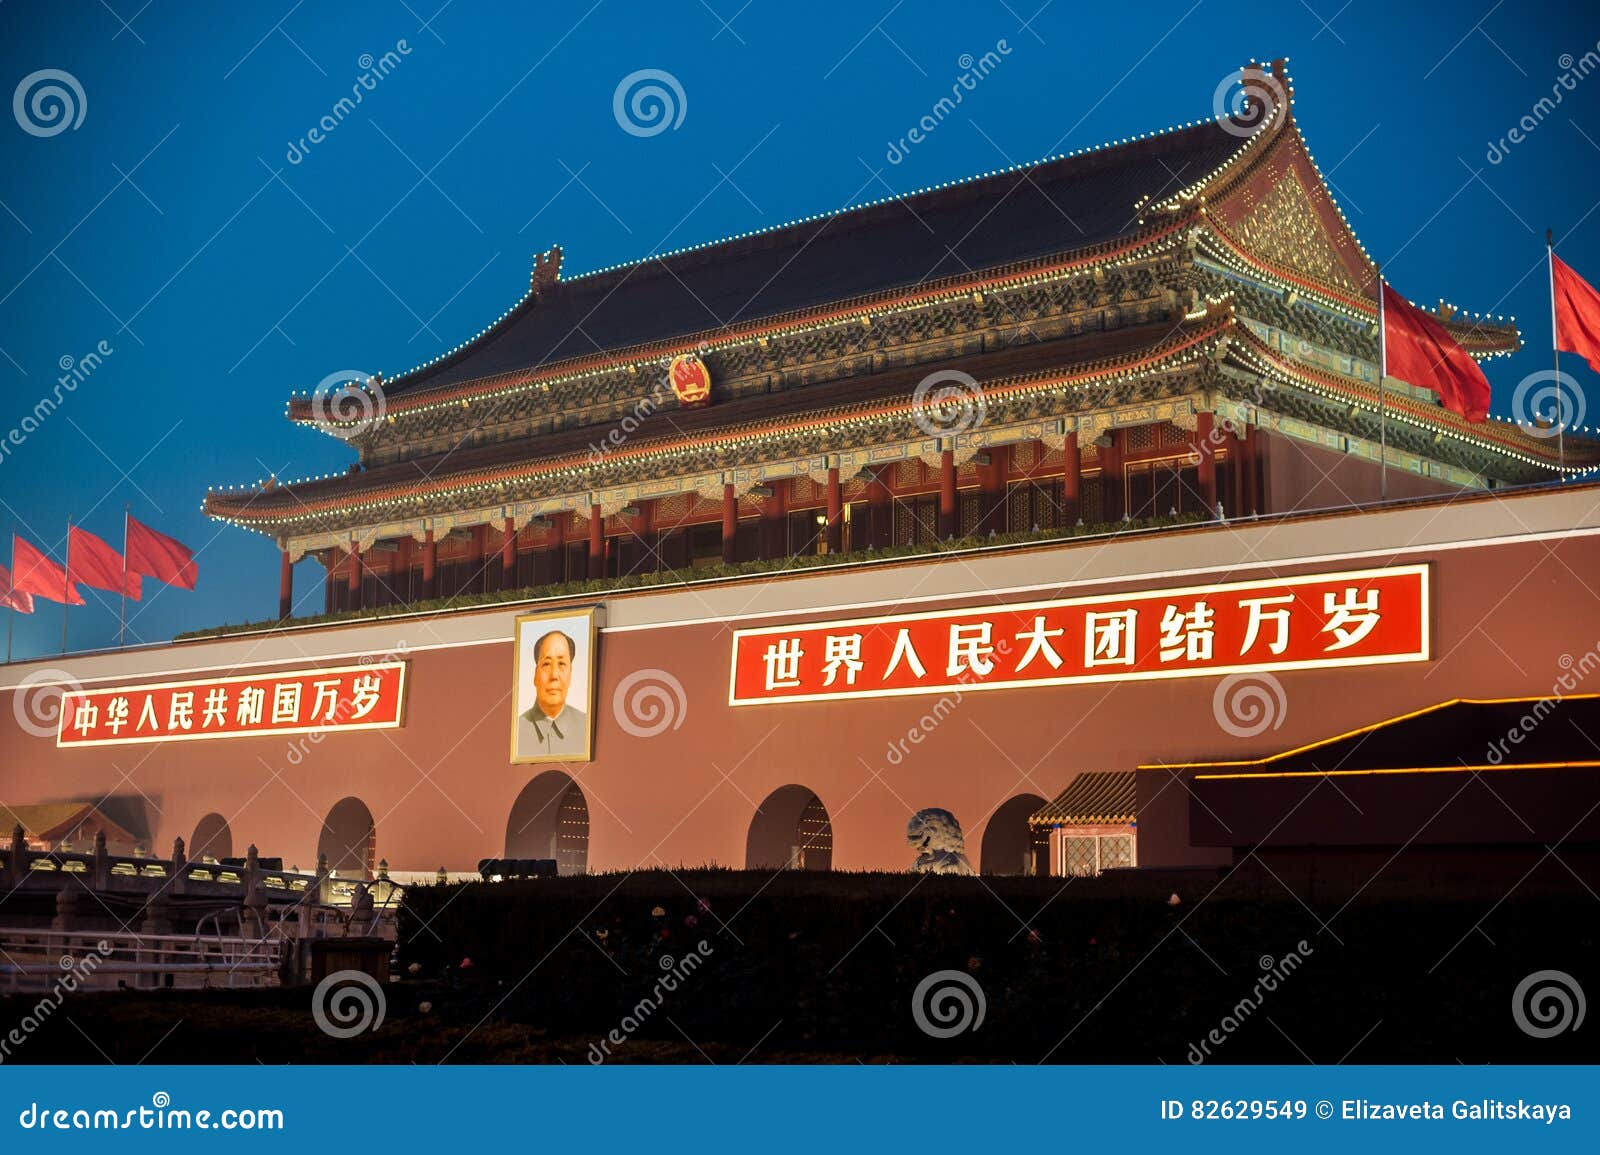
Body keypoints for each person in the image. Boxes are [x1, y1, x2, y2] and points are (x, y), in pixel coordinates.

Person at [517, 629, 589, 758]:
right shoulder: (515, 731)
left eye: (561, 664)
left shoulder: (587, 727)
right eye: (546, 664)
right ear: (535, 675)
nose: (554, 675)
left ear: (570, 674)